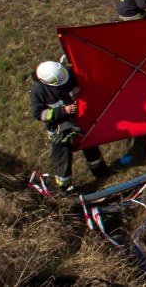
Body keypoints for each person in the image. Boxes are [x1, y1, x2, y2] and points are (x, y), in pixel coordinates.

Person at [31, 58, 108, 192]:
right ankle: (64, 189)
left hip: (79, 120)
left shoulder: (63, 73)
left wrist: (75, 92)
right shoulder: (38, 92)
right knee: (63, 159)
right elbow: (40, 114)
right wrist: (63, 111)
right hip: (60, 129)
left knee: (90, 146)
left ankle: (101, 172)